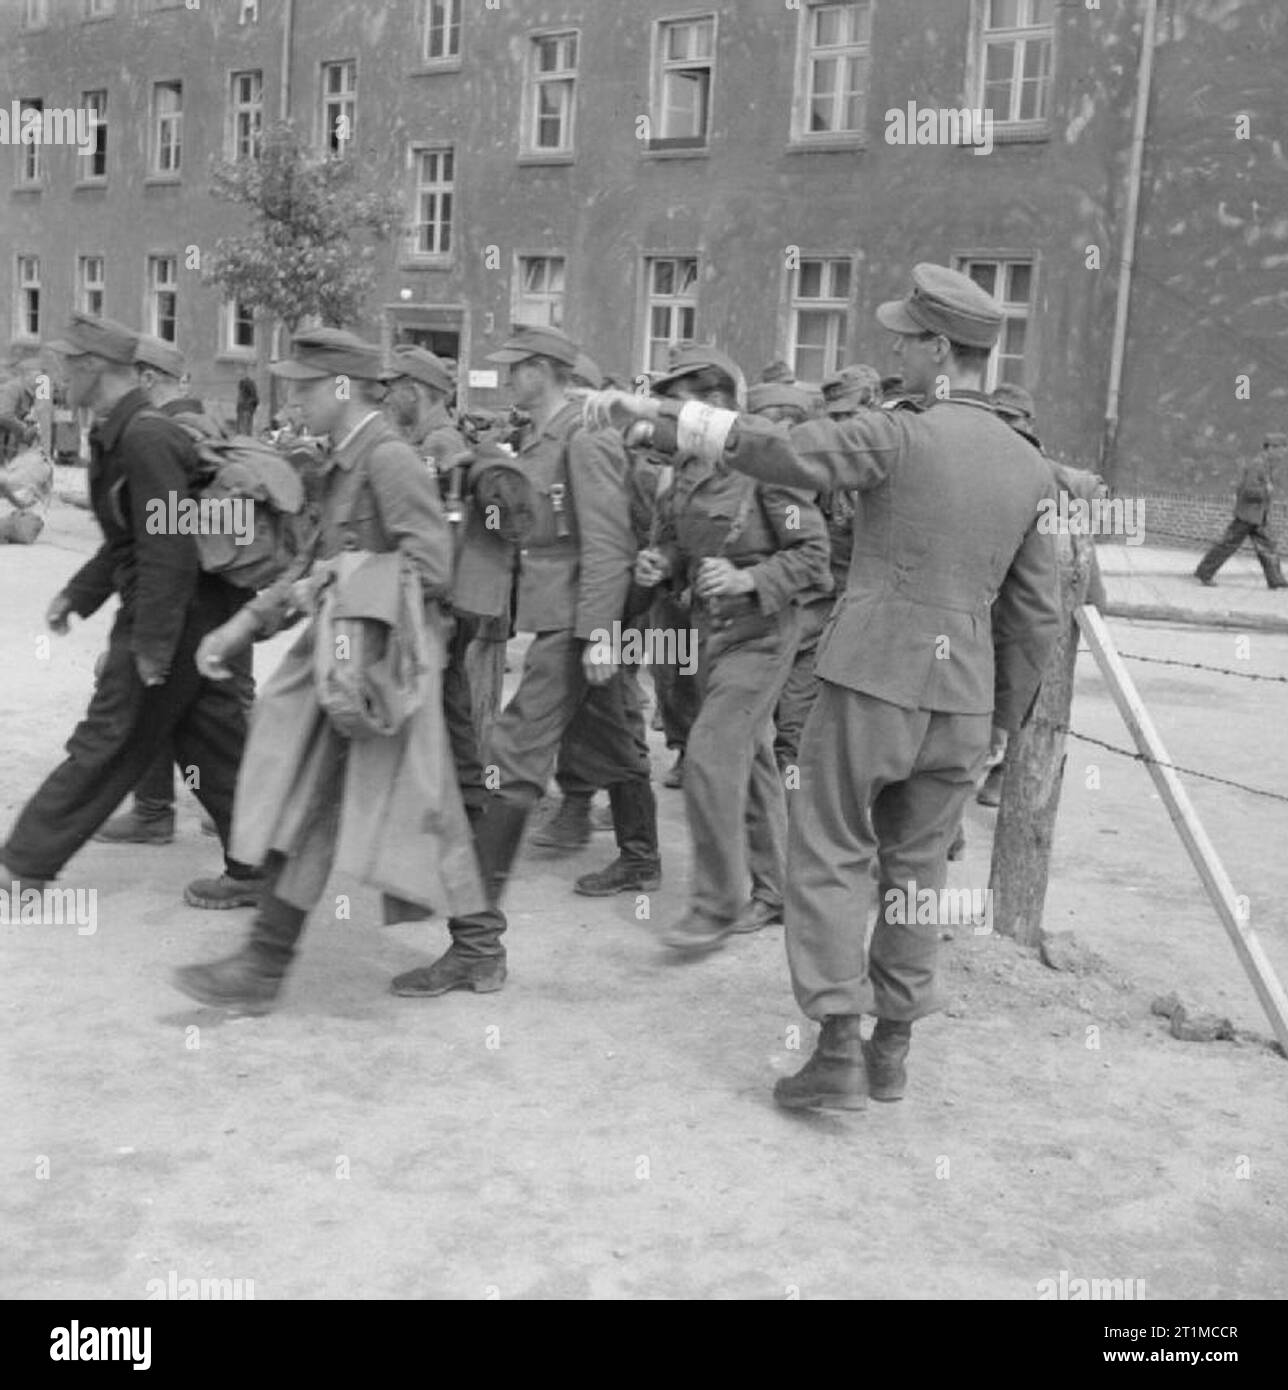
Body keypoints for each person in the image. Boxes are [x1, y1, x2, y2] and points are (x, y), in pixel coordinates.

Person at [585, 264, 1062, 1110]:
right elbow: (1036, 618)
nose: (898, 352)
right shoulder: (1028, 464)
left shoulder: (899, 434)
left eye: (908, 339)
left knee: (833, 854)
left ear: (942, 348)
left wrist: (662, 415)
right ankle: (893, 1050)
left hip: (873, 680)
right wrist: (999, 727)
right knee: (917, 874)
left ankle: (837, 1046)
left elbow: (782, 450)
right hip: (961, 702)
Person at [171, 328, 483, 1014]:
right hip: (342, 668)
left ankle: (265, 965)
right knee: (328, 807)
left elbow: (433, 568)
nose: (294, 400)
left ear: (343, 388)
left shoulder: (390, 460)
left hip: (376, 676)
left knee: (373, 808)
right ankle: (267, 963)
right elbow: (307, 569)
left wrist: (341, 578)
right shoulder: (343, 462)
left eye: (305, 387)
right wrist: (243, 626)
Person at [389, 324, 652, 997]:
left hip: (571, 624)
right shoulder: (536, 437)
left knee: (512, 763)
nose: (507, 378)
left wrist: (599, 634)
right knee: (608, 745)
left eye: (517, 368)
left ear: (545, 369)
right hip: (549, 615)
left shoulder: (585, 437)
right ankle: (636, 852)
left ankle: (478, 944)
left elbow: (608, 542)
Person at [0, 313, 262, 900]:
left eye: (67, 362)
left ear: (96, 368)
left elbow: (168, 550)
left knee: (108, 737)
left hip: (176, 613)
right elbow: (128, 541)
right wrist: (79, 595)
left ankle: (22, 865)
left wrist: (151, 647)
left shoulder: (144, 437)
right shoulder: (116, 433)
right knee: (211, 744)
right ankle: (261, 866)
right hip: (187, 613)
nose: (57, 372)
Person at [631, 346, 833, 949]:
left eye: (682, 404)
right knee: (750, 761)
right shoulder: (687, 474)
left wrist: (749, 579)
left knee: (713, 755)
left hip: (763, 634)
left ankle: (715, 904)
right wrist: (659, 562)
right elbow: (674, 544)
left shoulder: (767, 470)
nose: (673, 418)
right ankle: (776, 891)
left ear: (716, 404)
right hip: (708, 635)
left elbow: (814, 555)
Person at [94, 336, 256, 855]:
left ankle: (155, 812)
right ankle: (239, 820)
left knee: (163, 696)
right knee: (219, 707)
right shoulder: (211, 425)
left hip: (190, 599)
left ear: (145, 380)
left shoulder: (159, 434)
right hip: (229, 591)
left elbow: (162, 534)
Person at [1195, 433, 1288, 589]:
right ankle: (1204, 572)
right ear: (1271, 448)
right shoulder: (1257, 465)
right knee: (1227, 545)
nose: (1284, 453)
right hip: (1247, 516)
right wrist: (1266, 491)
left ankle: (1276, 580)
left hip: (1258, 516)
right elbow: (1247, 491)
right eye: (1282, 449)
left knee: (1268, 548)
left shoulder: (1266, 465)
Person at [235, 371, 259, 436]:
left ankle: (244, 436)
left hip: (246, 410)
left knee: (245, 427)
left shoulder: (246, 398)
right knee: (245, 427)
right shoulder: (250, 397)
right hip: (246, 409)